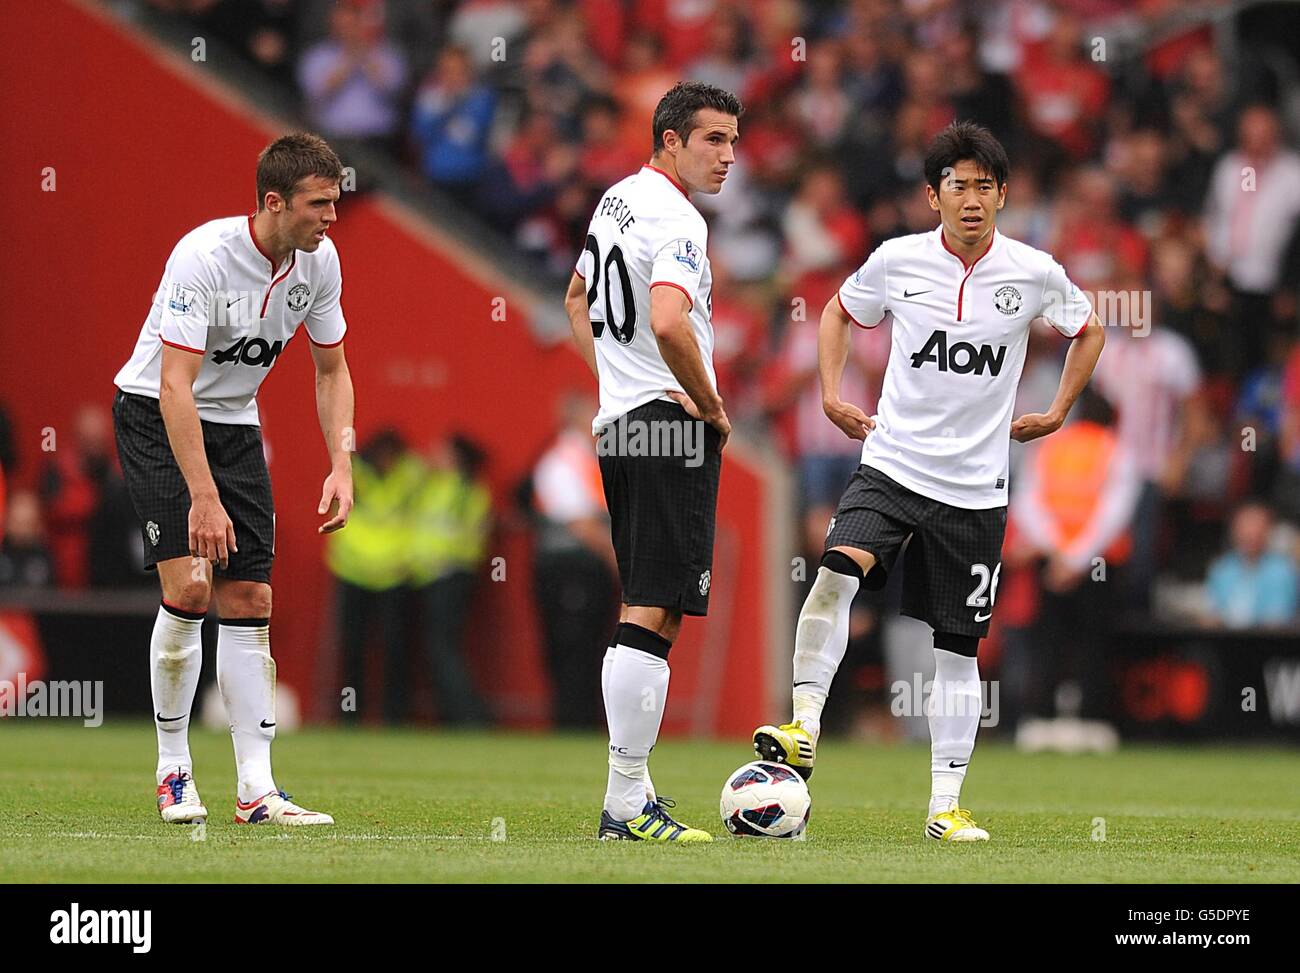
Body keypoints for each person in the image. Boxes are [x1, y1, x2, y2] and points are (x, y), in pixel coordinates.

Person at [752, 121, 1105, 842]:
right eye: (957, 185)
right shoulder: (897, 260)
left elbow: (1089, 329)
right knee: (834, 574)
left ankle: (944, 806)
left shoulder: (1033, 271)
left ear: (1002, 195)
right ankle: (805, 723)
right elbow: (836, 313)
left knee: (957, 647)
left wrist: (1059, 409)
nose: (970, 199)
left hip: (975, 488)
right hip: (892, 462)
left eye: (983, 186)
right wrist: (828, 393)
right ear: (932, 195)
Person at [112, 133, 354, 827]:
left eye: (336, 202)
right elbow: (173, 386)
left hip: (233, 424)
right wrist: (205, 498)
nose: (332, 218)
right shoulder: (204, 258)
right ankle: (173, 771)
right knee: (190, 581)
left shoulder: (320, 262)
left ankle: (256, 789)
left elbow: (332, 369)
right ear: (274, 203)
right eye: (320, 204)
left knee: (249, 593)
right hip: (158, 415)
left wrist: (341, 460)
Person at [562, 81, 741, 842]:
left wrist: (615, 383)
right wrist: (708, 402)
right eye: (712, 140)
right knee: (652, 605)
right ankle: (626, 803)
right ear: (669, 139)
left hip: (624, 420)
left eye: (733, 141)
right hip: (668, 424)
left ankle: (630, 796)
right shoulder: (676, 218)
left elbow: (576, 297)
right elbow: (669, 319)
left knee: (652, 602)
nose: (728, 156)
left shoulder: (619, 199)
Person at [1203, 501, 1298, 628]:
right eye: (1245, 526)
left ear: (1268, 530)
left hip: (1267, 643)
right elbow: (1211, 613)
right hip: (1224, 641)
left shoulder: (1283, 570)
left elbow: (1277, 619)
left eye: (1257, 526)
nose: (1251, 533)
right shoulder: (1222, 568)